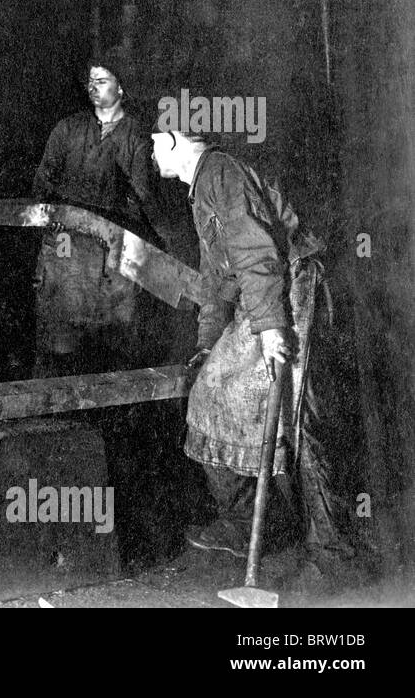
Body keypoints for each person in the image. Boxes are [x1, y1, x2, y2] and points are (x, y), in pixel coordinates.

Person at [151, 129, 365, 592]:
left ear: (172, 140)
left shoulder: (220, 172)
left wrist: (271, 331)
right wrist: (209, 344)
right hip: (265, 296)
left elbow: (257, 253)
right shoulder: (203, 187)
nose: (150, 154)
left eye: (152, 142)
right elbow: (217, 279)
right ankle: (253, 523)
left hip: (291, 289)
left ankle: (336, 552)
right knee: (209, 397)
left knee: (298, 419)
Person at [29, 58, 180, 374]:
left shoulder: (136, 136)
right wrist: (50, 212)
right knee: (60, 332)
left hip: (112, 249)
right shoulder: (68, 128)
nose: (93, 87)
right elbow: (43, 180)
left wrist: (166, 237)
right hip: (66, 245)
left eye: (102, 80)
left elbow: (145, 194)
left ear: (121, 88)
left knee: (113, 335)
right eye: (90, 80)